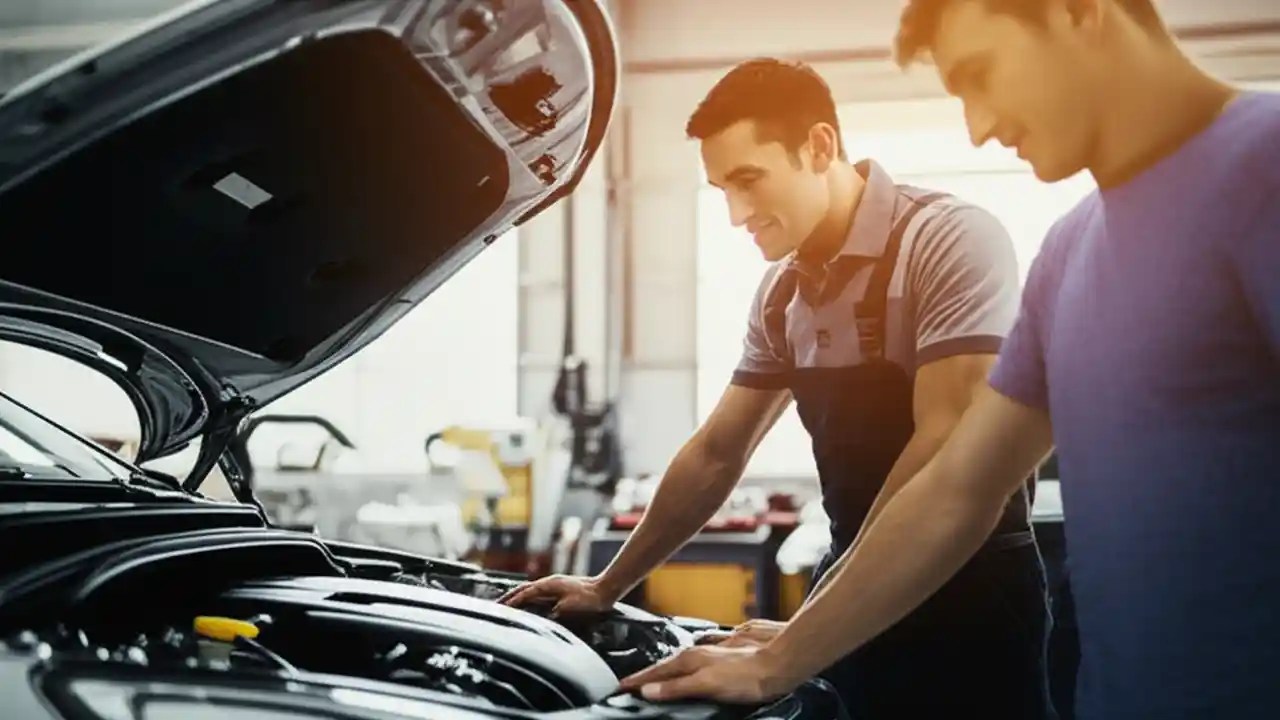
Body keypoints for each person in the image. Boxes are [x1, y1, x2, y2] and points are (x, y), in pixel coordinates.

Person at [617, 1, 1280, 718]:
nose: (979, 127)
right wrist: (783, 657)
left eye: (981, 75)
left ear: (1080, 14)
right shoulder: (1069, 252)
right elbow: (956, 490)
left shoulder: (1263, 168)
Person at [502, 58, 1054, 717]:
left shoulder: (947, 240)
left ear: (819, 146)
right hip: (852, 580)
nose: (736, 213)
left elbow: (946, 446)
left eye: (749, 180)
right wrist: (608, 584)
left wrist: (806, 633)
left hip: (971, 596)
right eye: (720, 190)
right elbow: (716, 454)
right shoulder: (782, 295)